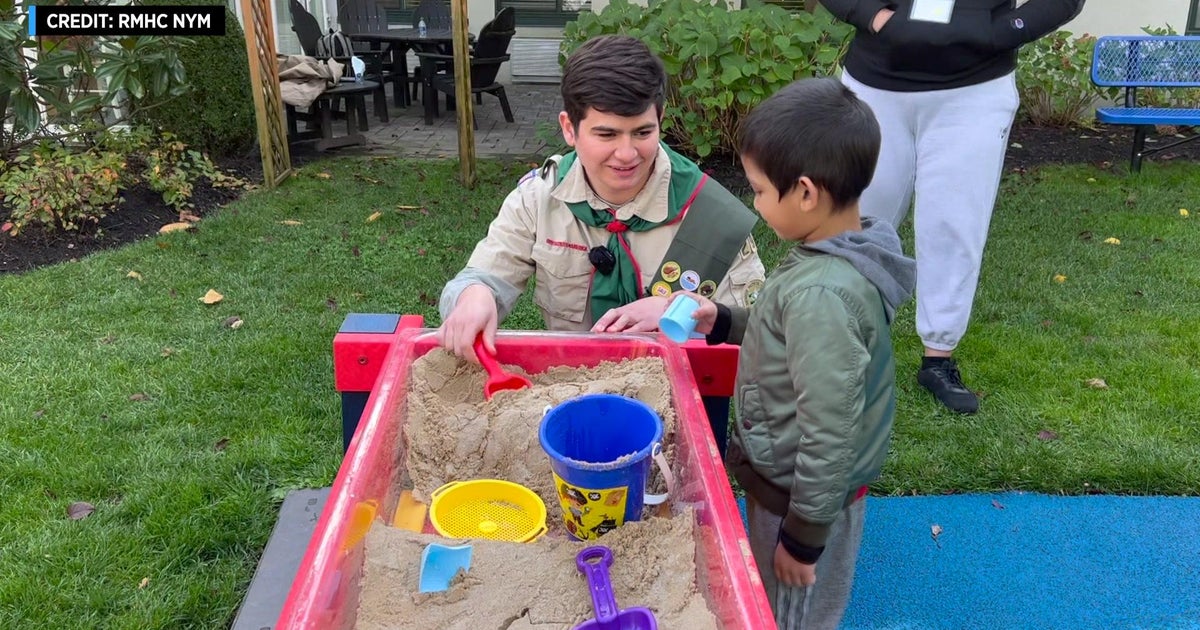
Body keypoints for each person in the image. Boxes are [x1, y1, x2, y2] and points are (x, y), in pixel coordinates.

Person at [435, 35, 767, 450]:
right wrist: (474, 297)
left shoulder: (713, 216)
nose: (626, 154)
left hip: (675, 417)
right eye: (607, 134)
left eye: (643, 132)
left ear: (660, 119)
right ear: (569, 129)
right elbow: (481, 277)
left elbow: (764, 335)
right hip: (569, 406)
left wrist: (678, 310)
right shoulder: (539, 199)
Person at [672, 77, 915, 629]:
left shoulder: (821, 292)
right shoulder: (834, 250)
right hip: (793, 485)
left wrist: (803, 541)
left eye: (759, 189)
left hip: (799, 499)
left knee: (790, 612)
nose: (754, 202)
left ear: (806, 193)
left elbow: (831, 429)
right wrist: (726, 320)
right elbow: (797, 337)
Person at [820, 0, 1085, 413]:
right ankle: (844, 348)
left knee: (953, 223)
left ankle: (937, 358)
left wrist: (999, 31)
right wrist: (872, 15)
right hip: (875, 82)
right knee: (856, 218)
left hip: (974, 90)